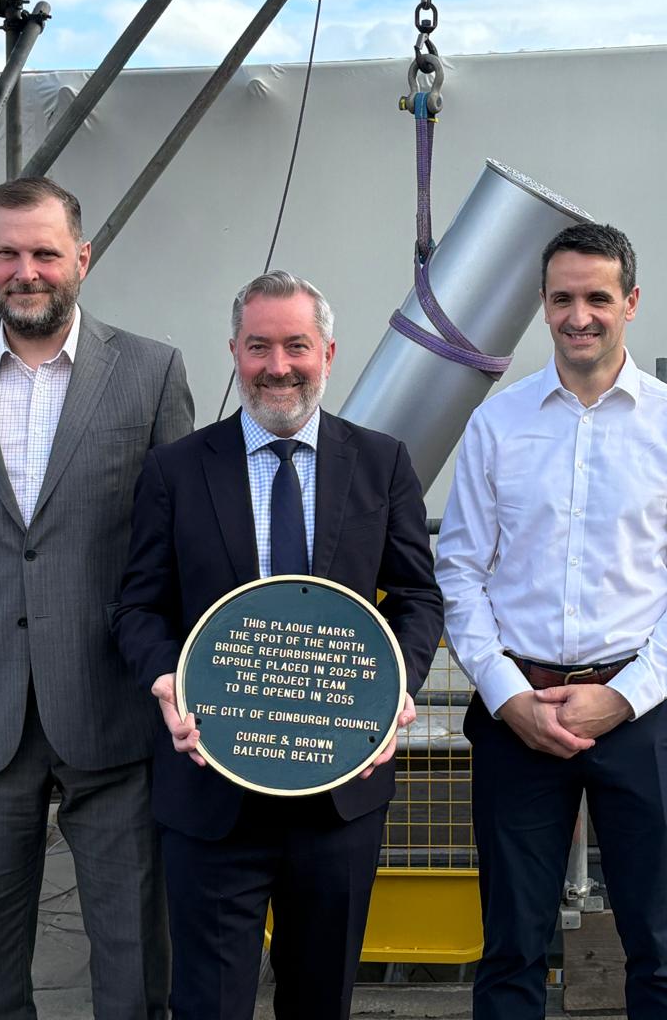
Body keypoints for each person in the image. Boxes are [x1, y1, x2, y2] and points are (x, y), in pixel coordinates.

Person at [0, 175, 192, 1020]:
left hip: (115, 703)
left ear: (81, 259)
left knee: (134, 949)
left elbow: (179, 552)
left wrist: (185, 683)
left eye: (46, 252)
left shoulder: (152, 373)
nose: (27, 270)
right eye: (8, 252)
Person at [110, 270, 443, 1020]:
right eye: (259, 346)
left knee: (320, 1001)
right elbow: (137, 605)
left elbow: (418, 596)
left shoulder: (382, 463)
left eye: (297, 345)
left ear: (328, 350)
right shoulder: (177, 470)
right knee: (208, 1004)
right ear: (233, 351)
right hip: (210, 787)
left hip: (340, 793)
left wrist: (396, 685)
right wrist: (166, 677)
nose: (278, 365)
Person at [436, 222, 667, 1020]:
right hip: (517, 714)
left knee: (661, 943)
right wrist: (505, 695)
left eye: (598, 297)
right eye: (563, 297)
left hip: (638, 713)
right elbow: (459, 572)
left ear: (630, 303)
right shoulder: (498, 426)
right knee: (510, 948)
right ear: (542, 305)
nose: (580, 315)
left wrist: (625, 697)